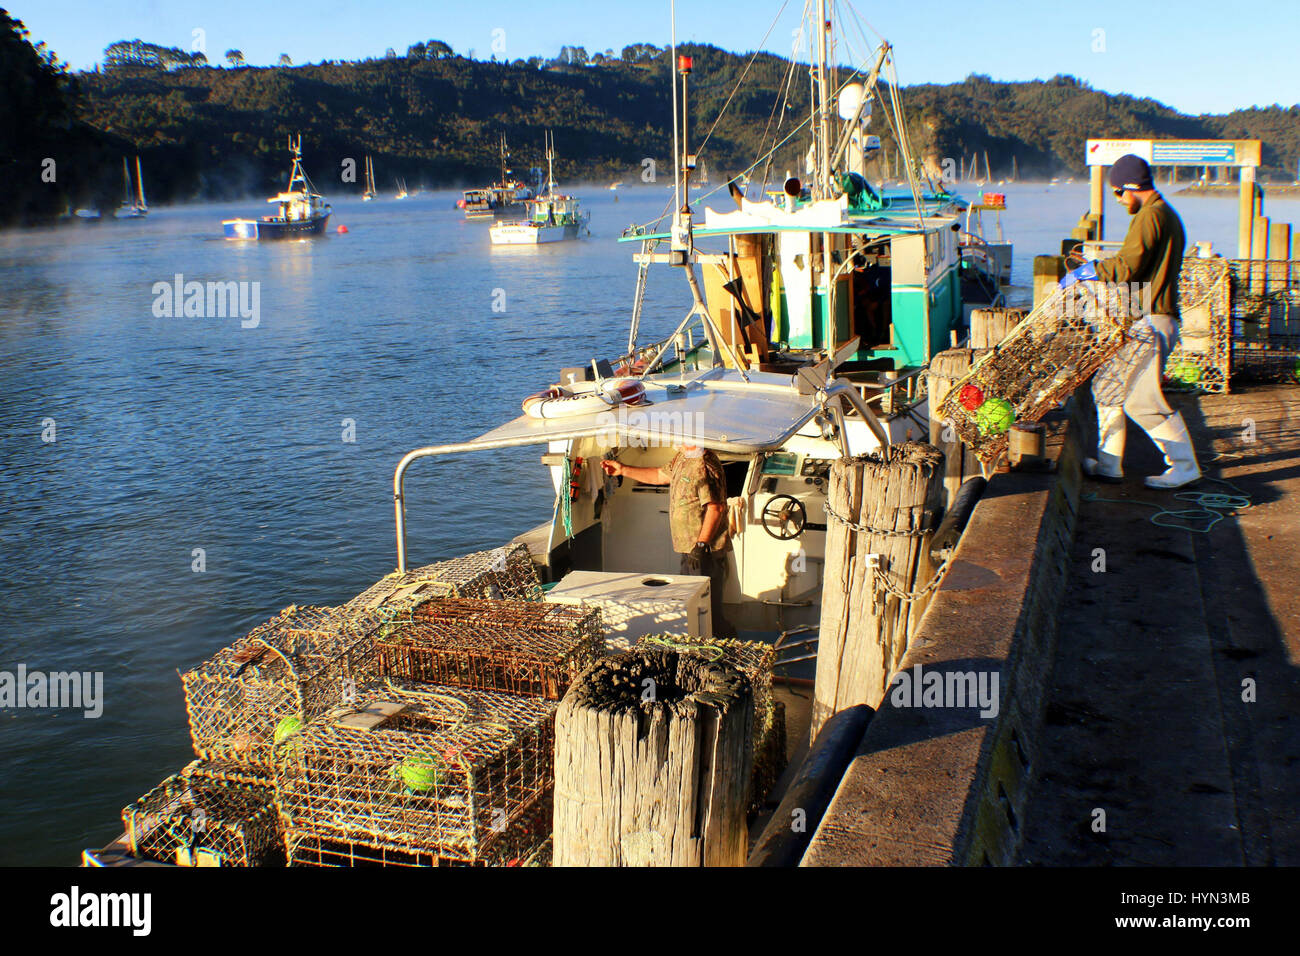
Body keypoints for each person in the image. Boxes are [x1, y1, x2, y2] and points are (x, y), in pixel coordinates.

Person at [1060, 153, 1200, 490]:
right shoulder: (1162, 214)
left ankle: (1185, 466)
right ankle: (1109, 465)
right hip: (1144, 319)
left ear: (1130, 187)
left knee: (1143, 401)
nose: (1119, 201)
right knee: (1107, 387)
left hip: (1153, 321)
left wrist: (1088, 271)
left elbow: (1127, 268)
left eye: (1118, 194)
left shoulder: (1151, 216)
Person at [600, 445, 739, 639]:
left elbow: (716, 508)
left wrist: (701, 545)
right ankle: (701, 645)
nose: (676, 438)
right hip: (688, 549)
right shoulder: (681, 457)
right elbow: (659, 475)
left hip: (705, 551)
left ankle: (723, 649)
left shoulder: (704, 464)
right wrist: (622, 469)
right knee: (692, 603)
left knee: (708, 610)